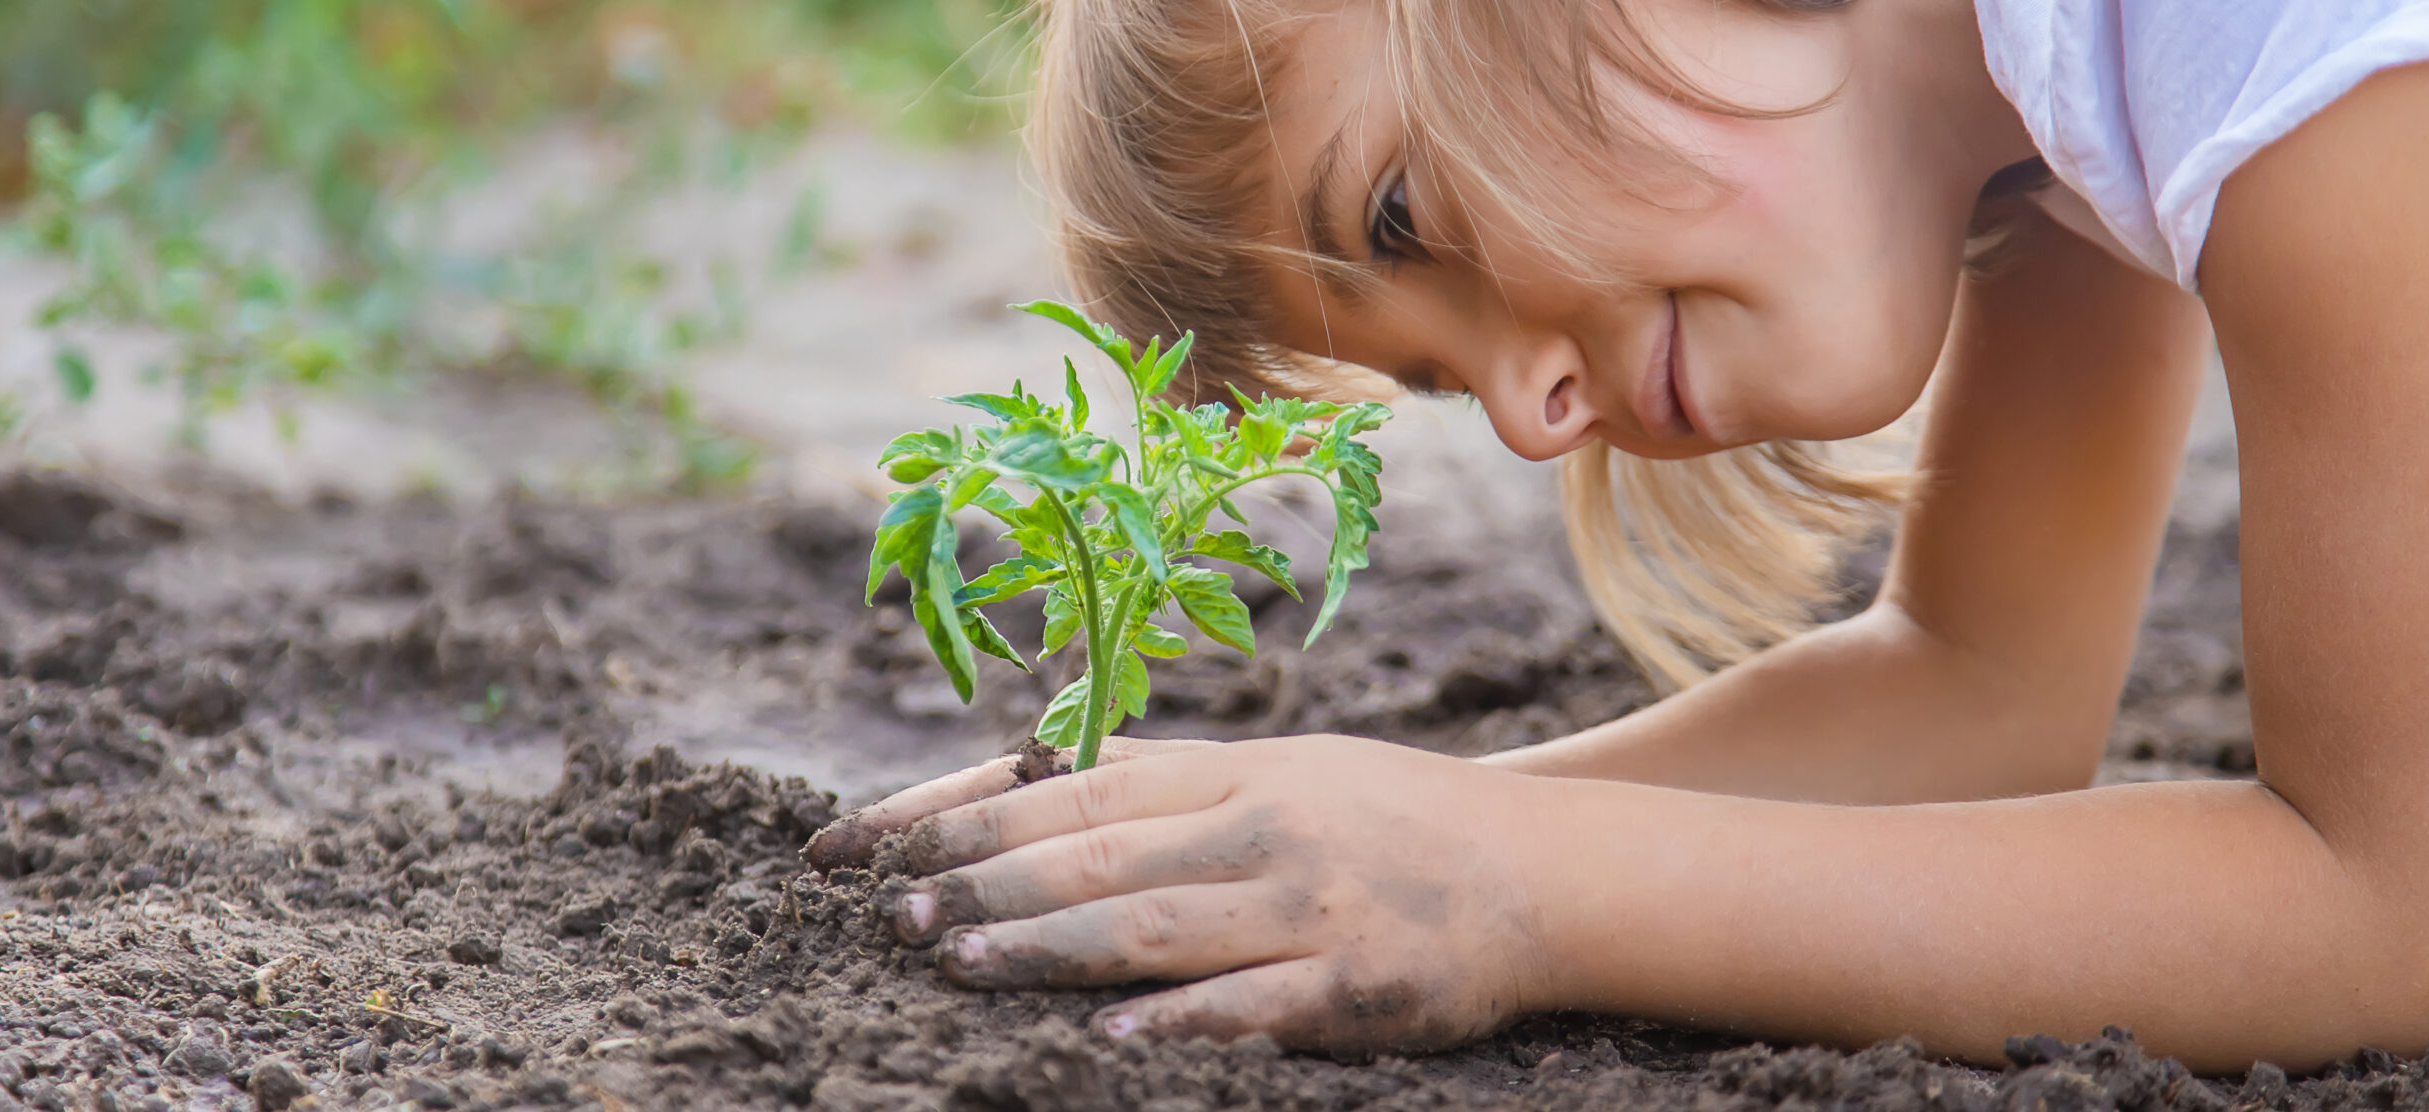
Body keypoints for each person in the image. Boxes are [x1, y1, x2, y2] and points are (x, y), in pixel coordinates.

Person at [804, 0, 2429, 1071]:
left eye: (1398, 217)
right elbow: (1983, 693)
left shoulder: (2277, 44)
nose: (1528, 419)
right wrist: (1357, 840)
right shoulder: (2035, 128)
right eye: (1440, 382)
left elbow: (2388, 904)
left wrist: (1530, 889)